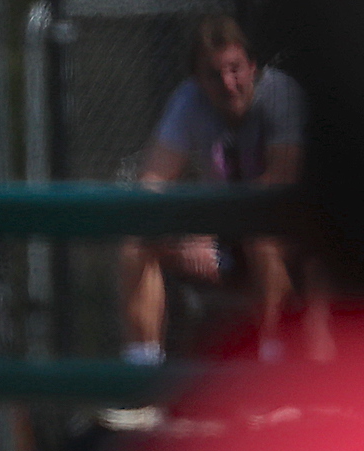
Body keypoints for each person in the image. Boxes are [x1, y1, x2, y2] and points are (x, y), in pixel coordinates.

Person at [119, 15, 320, 366]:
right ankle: (144, 372)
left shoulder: (280, 95)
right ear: (198, 80)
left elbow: (278, 182)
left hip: (289, 241)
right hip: (224, 237)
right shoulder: (187, 101)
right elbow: (151, 182)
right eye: (215, 74)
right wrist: (177, 233)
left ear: (253, 67)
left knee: (261, 236)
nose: (228, 83)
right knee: (135, 244)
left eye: (236, 69)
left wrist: (209, 228)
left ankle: (273, 368)